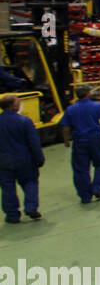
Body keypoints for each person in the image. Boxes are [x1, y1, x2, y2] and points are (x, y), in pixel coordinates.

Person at [60, 84, 100, 204]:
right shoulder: (97, 106)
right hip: (96, 140)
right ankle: (97, 187)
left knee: (80, 169)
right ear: (88, 93)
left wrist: (66, 140)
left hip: (80, 141)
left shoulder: (70, 109)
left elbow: (66, 127)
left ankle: (85, 196)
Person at [0, 94, 43, 223]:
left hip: (4, 162)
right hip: (25, 160)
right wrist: (39, 159)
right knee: (30, 182)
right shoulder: (24, 121)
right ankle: (31, 207)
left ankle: (12, 215)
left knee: (8, 188)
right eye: (18, 102)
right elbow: (34, 143)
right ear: (13, 105)